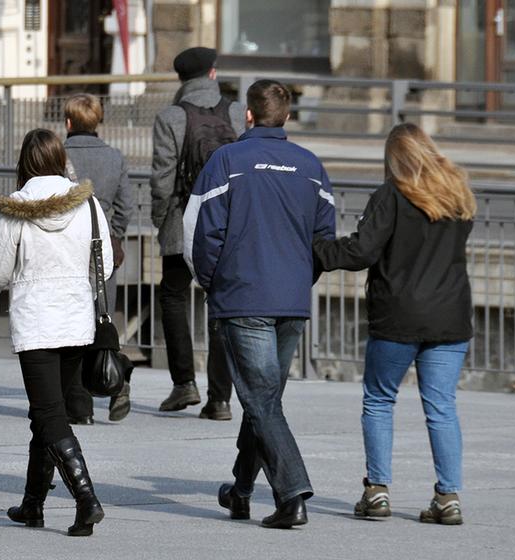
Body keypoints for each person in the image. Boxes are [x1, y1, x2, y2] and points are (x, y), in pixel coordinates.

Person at [185, 79, 335, 529]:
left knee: (262, 401)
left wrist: (215, 285)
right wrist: (299, 279)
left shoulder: (226, 161)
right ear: (286, 116)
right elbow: (324, 240)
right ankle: (241, 491)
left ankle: (292, 494)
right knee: (262, 398)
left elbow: (199, 236)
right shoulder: (310, 166)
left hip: (243, 296)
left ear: (247, 115)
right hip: (291, 300)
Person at [314, 123, 475, 526]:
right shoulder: (456, 195)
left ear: (393, 159)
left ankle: (377, 492)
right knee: (441, 408)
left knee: (379, 399)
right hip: (450, 317)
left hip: (398, 316)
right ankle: (448, 497)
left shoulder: (391, 195)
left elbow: (362, 250)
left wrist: (317, 249)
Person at [0, 129, 113, 537]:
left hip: (35, 322)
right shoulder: (86, 203)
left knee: (50, 414)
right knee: (48, 413)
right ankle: (33, 504)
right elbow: (102, 264)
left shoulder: (15, 207)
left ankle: (86, 499)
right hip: (75, 321)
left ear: (26, 162)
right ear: (59, 159)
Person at [150, 47, 244, 420]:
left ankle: (183, 382)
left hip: (182, 219)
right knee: (219, 305)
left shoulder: (171, 116)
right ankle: (219, 399)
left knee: (173, 295)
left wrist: (162, 221)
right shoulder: (236, 112)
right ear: (213, 73)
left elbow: (162, 178)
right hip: (226, 223)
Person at [60, 93, 133, 424]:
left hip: (66, 249)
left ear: (68, 122)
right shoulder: (114, 157)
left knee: (70, 328)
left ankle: (79, 404)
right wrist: (114, 233)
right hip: (103, 251)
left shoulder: (58, 156)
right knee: (102, 320)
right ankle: (116, 376)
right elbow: (126, 205)